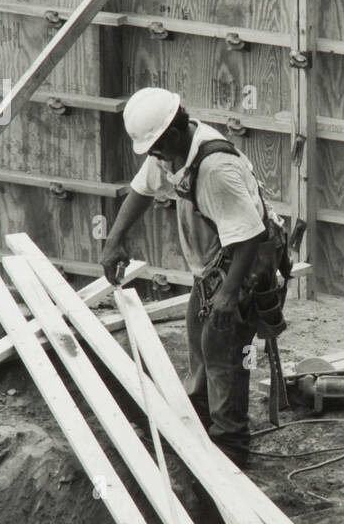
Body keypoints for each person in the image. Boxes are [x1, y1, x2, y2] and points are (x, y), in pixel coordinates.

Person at [99, 88, 287, 469]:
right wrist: (114, 240)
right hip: (212, 269)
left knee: (225, 356)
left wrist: (229, 296)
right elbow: (141, 190)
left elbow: (250, 234)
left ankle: (230, 448)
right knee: (200, 349)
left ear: (170, 133)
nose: (152, 156)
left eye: (155, 147)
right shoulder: (172, 152)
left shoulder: (215, 168)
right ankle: (198, 430)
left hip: (242, 269)